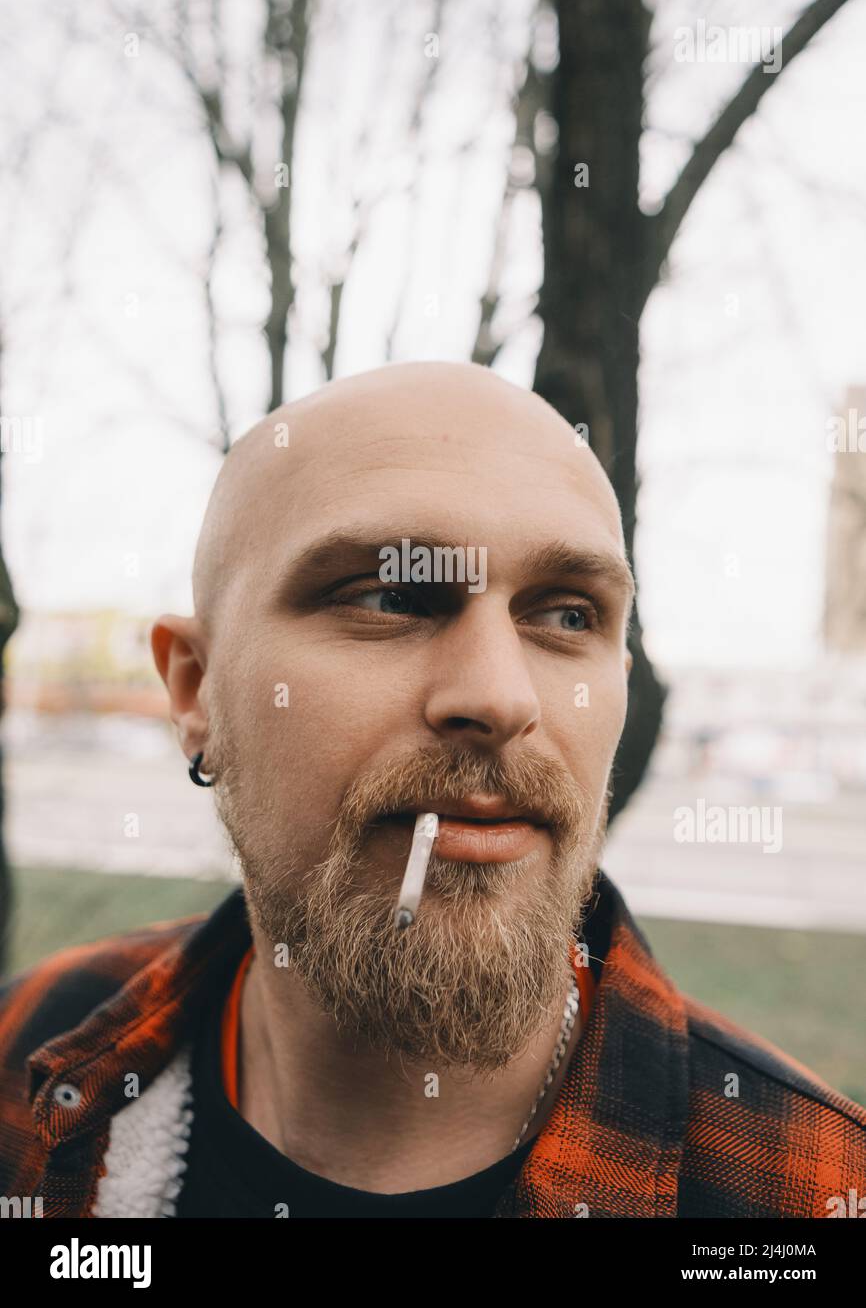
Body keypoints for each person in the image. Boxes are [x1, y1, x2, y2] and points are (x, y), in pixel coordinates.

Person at [1, 361, 864, 1218]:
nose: (501, 697)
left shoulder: (814, 1192)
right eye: (390, 596)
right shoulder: (22, 1055)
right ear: (196, 690)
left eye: (567, 615)